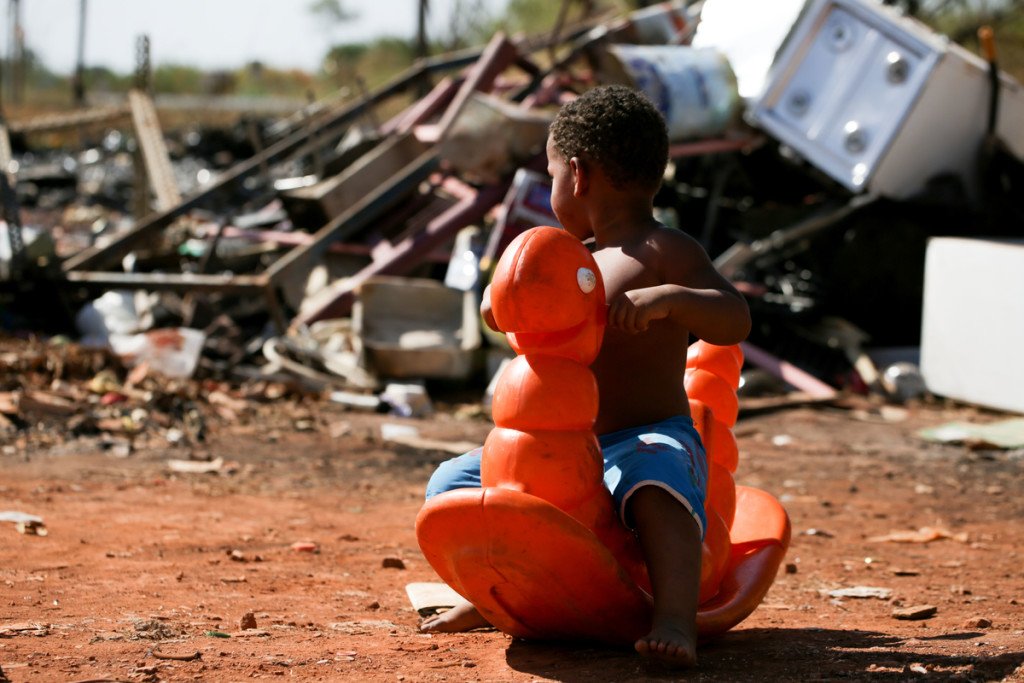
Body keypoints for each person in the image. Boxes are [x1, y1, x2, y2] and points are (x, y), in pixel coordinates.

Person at [419, 84, 751, 668]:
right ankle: (490, 594)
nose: (550, 188)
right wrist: (502, 306)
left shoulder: (662, 249)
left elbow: (734, 317)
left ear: (576, 174)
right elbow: (500, 308)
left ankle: (675, 617)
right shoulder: (570, 260)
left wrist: (671, 299)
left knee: (655, 488)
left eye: (549, 175)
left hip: (648, 434)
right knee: (454, 485)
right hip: (572, 448)